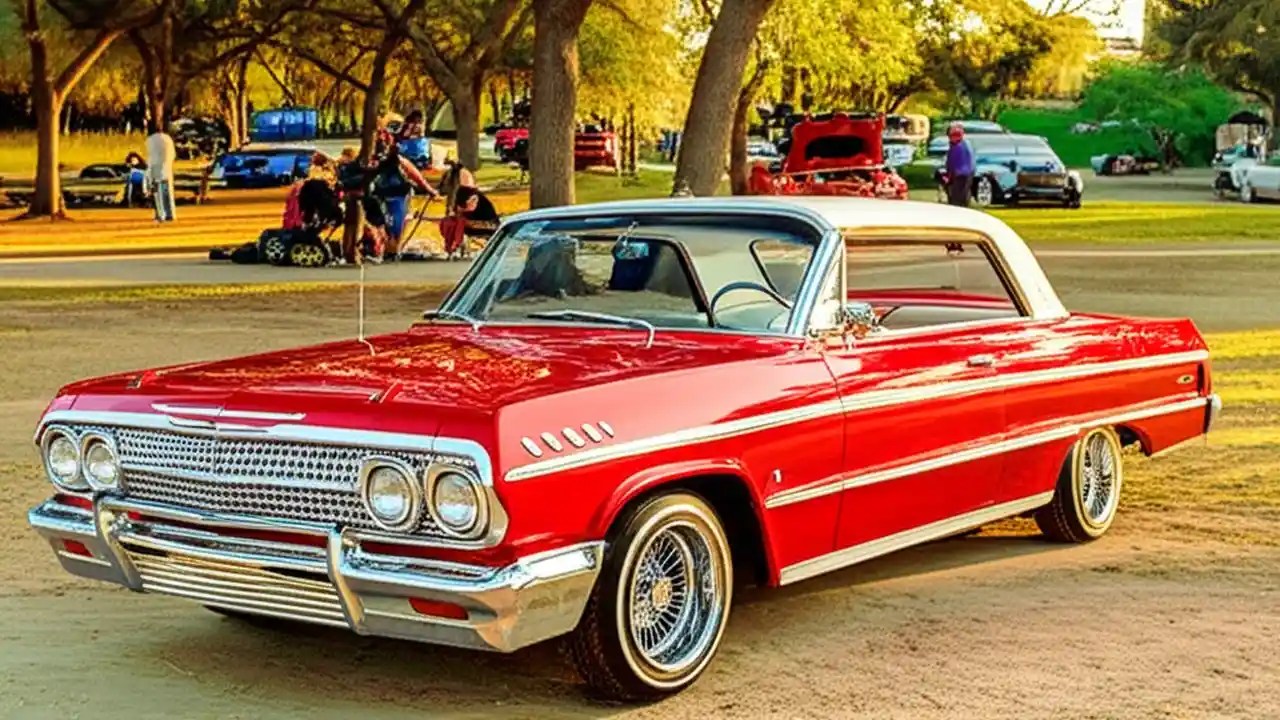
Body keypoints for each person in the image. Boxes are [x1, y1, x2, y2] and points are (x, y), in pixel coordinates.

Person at [372, 144, 440, 259]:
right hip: (382, 196)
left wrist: (429, 190)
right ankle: (388, 249)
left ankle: (394, 250)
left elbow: (416, 175)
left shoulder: (400, 161)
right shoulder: (374, 162)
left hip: (399, 196)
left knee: (397, 224)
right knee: (386, 224)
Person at [440, 171, 498, 260]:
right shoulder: (456, 196)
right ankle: (452, 247)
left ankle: (456, 247)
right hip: (469, 224)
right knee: (450, 222)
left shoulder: (472, 195)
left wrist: (458, 214)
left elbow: (468, 208)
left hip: (489, 225)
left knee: (458, 222)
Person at [145, 121, 177, 221]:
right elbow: (173, 155)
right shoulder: (168, 139)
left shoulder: (150, 140)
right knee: (167, 193)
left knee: (157, 193)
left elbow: (149, 156)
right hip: (167, 168)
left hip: (155, 169)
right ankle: (170, 213)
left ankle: (160, 214)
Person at [943, 123, 974, 207]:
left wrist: (948, 178)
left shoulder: (956, 147)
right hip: (968, 174)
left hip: (959, 176)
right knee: (964, 197)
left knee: (957, 200)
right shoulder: (966, 144)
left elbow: (951, 164)